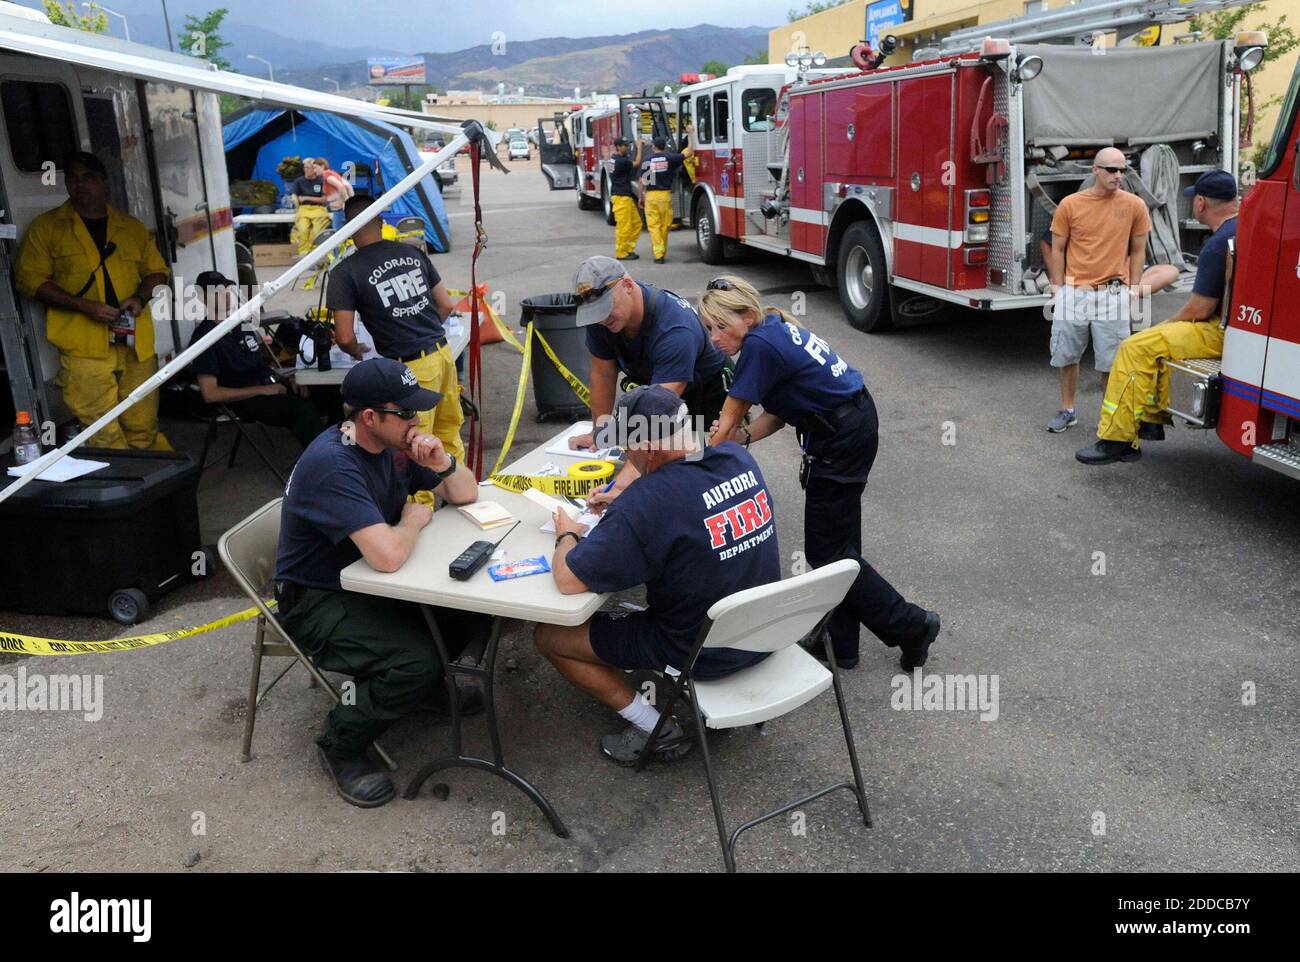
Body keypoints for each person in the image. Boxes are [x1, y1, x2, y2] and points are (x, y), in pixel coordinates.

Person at [699, 275, 940, 671]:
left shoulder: (759, 345)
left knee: (827, 554)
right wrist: (741, 437)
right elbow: (776, 413)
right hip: (850, 424)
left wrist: (700, 467)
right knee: (841, 547)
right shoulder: (773, 329)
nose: (714, 338)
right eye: (709, 328)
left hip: (841, 437)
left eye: (722, 326)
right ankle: (841, 644)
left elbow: (726, 424)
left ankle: (912, 625)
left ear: (748, 315)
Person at [274, 357, 485, 807]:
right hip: (317, 598)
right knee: (415, 661)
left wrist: (444, 462)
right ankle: (341, 744)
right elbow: (389, 555)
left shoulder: (394, 445)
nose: (416, 420)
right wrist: (412, 521)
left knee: (477, 607)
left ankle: (420, 692)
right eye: (406, 412)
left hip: (369, 581)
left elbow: (467, 493)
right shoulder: (334, 462)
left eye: (417, 410)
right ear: (370, 418)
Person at [535, 385, 780, 764]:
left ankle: (655, 727)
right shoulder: (736, 458)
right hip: (765, 631)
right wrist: (626, 507)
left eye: (627, 448)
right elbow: (688, 507)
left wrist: (567, 532)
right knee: (634, 608)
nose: (625, 457)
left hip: (702, 650)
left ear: (648, 448)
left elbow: (568, 579)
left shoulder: (647, 503)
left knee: (549, 635)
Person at [1076, 170, 1240, 465]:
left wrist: (1166, 324)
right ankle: (1149, 421)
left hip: (1222, 329)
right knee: (1155, 347)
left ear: (1201, 202)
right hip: (1242, 326)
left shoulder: (1217, 245)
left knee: (1135, 346)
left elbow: (1198, 310)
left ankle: (1116, 440)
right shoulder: (1243, 228)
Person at [15, 151, 171, 450]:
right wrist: (84, 306)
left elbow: (158, 272)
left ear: (104, 184)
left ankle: (153, 490)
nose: (80, 184)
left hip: (135, 344)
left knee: (143, 428)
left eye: (88, 177)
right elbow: (29, 281)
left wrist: (139, 298)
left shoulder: (131, 227)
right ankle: (122, 490)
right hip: (83, 346)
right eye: (73, 178)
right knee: (102, 433)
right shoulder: (47, 228)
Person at [568, 256, 732, 502]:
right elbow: (603, 373)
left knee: (699, 482)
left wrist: (620, 486)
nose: (602, 319)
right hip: (661, 389)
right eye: (595, 314)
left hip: (706, 397)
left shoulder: (675, 329)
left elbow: (656, 419)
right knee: (661, 478)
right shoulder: (603, 318)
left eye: (605, 309)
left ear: (627, 285)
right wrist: (599, 431)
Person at [328, 194, 465, 483]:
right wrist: (420, 328)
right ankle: (463, 498)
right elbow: (446, 304)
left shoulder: (345, 271)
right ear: (380, 221)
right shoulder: (412, 252)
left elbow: (343, 335)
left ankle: (425, 514)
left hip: (410, 370)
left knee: (417, 447)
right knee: (449, 436)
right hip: (443, 355)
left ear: (348, 228)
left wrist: (356, 351)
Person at [1045, 147, 1152, 434]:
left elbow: (1138, 250)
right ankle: (1067, 410)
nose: (1118, 175)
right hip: (1075, 292)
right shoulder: (1070, 205)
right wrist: (1058, 289)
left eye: (1123, 170)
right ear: (1095, 170)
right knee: (1066, 355)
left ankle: (1111, 419)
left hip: (1113, 294)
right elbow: (1057, 247)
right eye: (1112, 170)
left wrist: (1134, 288)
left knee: (1111, 362)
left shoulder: (1134, 206)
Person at [188, 271, 324, 450]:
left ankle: (343, 452)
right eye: (216, 291)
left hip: (272, 385)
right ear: (203, 298)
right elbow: (210, 394)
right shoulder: (204, 338)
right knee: (303, 409)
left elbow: (263, 364)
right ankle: (325, 462)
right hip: (245, 400)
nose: (225, 295)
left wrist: (291, 379)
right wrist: (263, 389)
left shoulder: (240, 325)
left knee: (329, 394)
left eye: (227, 288)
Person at [1038, 227, 1178, 320]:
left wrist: (1129, 280)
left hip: (1121, 271)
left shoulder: (1128, 214)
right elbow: (1046, 242)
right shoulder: (1081, 215)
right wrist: (1056, 277)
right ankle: (1118, 290)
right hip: (1092, 273)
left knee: (1171, 271)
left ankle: (1124, 290)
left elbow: (1134, 252)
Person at [640, 126, 695, 264]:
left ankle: (659, 254)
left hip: (651, 196)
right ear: (664, 146)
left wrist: (641, 196)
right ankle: (661, 251)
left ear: (653, 147)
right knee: (664, 226)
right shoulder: (670, 158)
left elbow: (642, 181)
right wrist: (690, 134)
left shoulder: (647, 160)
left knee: (654, 227)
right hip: (665, 196)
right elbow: (689, 152)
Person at [608, 137, 644, 260]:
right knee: (624, 227)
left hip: (624, 197)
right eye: (624, 146)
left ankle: (628, 249)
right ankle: (621, 253)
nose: (627, 148)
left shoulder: (614, 159)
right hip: (621, 197)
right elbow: (637, 162)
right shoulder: (621, 162)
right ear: (618, 147)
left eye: (627, 145)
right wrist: (639, 148)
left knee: (636, 224)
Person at [289, 157, 332, 255]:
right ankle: (303, 254)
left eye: (308, 168)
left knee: (316, 231)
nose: (306, 170)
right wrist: (295, 199)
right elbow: (294, 194)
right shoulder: (299, 181)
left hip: (319, 209)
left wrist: (306, 198)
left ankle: (315, 254)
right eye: (305, 168)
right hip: (304, 209)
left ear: (314, 169)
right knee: (303, 230)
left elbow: (324, 200)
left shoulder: (321, 181)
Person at [319, 158, 354, 232]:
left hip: (339, 209)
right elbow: (348, 186)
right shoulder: (333, 173)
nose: (314, 170)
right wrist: (351, 202)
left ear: (322, 166)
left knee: (336, 236)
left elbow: (341, 186)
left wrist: (347, 202)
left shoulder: (326, 174)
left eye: (315, 167)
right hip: (343, 209)